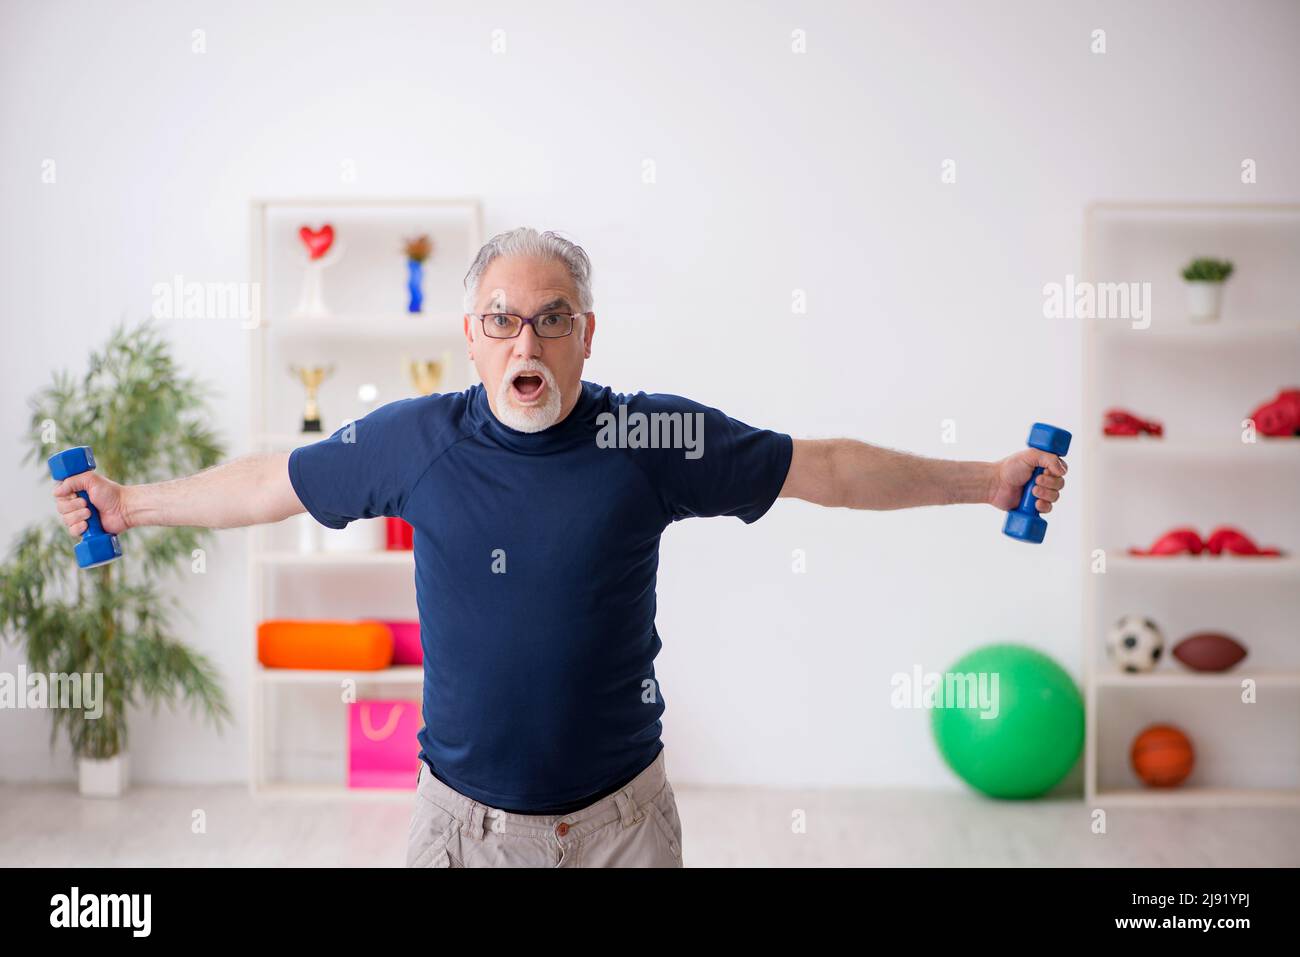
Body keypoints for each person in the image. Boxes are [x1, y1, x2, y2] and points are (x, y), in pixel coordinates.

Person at [51, 227, 1067, 867]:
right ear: (470, 334)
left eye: (550, 321)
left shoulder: (647, 436)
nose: (525, 346)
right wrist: (130, 505)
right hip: (463, 834)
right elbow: (274, 479)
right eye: (502, 322)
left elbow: (822, 468)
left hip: (624, 827)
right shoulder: (420, 439)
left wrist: (985, 481)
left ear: (588, 332)